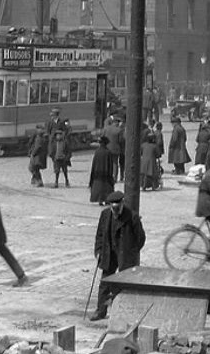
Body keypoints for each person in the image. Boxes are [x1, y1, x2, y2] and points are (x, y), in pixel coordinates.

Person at [90, 191, 146, 321]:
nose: (115, 212)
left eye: (117, 208)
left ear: (122, 204)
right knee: (105, 282)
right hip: (108, 252)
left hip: (124, 254)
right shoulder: (105, 215)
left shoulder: (132, 217)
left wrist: (132, 252)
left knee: (124, 284)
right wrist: (98, 251)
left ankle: (123, 312)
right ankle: (101, 310)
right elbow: (99, 235)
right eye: (113, 208)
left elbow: (140, 238)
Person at [89, 137, 116, 204]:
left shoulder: (97, 152)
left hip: (97, 173)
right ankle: (107, 200)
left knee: (99, 187)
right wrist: (111, 175)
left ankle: (100, 200)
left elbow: (94, 164)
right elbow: (110, 165)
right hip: (106, 173)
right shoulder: (108, 152)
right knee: (106, 187)